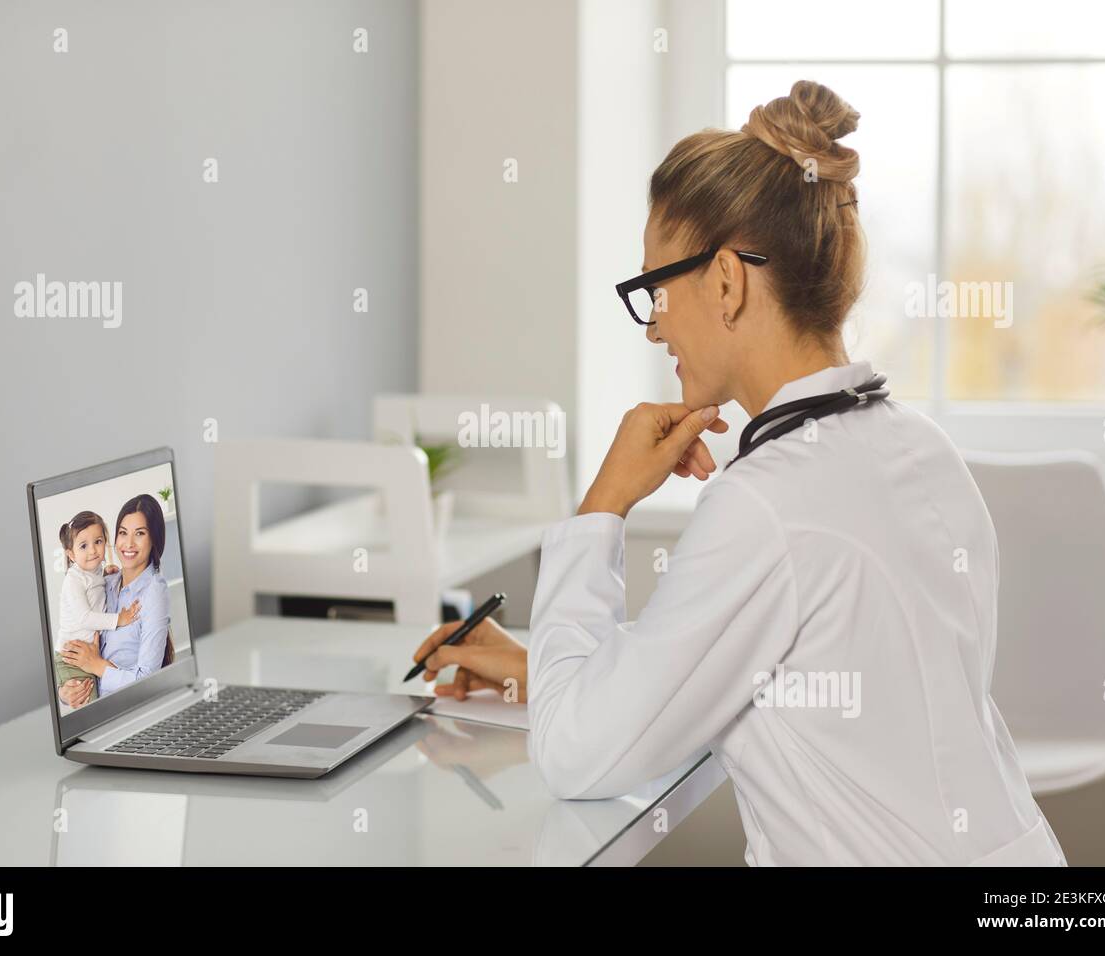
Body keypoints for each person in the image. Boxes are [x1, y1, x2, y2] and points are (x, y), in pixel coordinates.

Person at [411, 80, 1066, 866]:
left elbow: (574, 758)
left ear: (726, 280)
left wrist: (604, 504)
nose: (654, 329)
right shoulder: (918, 447)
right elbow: (790, 683)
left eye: (656, 289)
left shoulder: (768, 504)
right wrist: (543, 673)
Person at [58, 495, 170, 707]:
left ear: (154, 539)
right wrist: (65, 692)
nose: (128, 543)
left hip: (131, 711)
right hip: (100, 706)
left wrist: (97, 665)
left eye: (140, 533)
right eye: (123, 533)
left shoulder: (154, 592)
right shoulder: (106, 582)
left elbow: (147, 681)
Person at [52, 510, 141, 704]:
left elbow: (97, 589)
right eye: (83, 546)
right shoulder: (73, 580)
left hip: (88, 656)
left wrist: (107, 574)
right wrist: (119, 619)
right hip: (71, 658)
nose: (92, 550)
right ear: (71, 554)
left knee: (100, 701)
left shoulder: (97, 573)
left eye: (98, 542)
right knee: (91, 704)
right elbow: (85, 618)